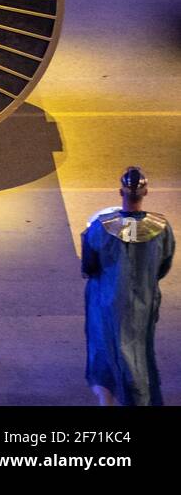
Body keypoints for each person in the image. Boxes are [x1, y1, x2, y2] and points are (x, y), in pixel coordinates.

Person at [83, 167, 174, 406]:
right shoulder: (162, 228)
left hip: (106, 302)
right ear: (146, 192)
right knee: (140, 354)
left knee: (104, 352)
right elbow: (163, 266)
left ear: (120, 191)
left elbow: (88, 266)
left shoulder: (100, 227)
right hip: (143, 303)